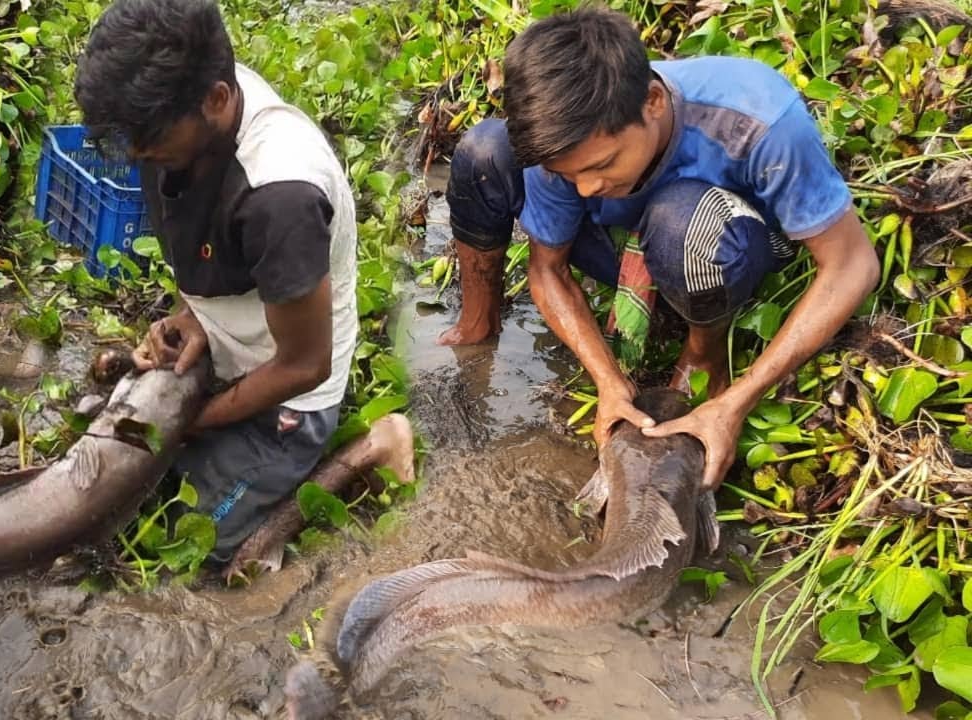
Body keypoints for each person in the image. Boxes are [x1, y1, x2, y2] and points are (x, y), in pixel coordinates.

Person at [441, 7, 879, 490]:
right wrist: (608, 382)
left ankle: (703, 357)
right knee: (485, 150)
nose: (585, 188)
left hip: (724, 241)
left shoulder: (759, 119)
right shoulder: (560, 146)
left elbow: (852, 265)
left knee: (680, 221)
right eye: (570, 176)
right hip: (619, 242)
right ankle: (477, 325)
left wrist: (738, 401)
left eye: (602, 164)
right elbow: (548, 270)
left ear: (652, 101)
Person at [73, 0, 412, 568]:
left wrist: (189, 420)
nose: (136, 155)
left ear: (218, 102)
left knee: (190, 545)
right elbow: (188, 239)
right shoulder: (178, 109)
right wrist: (190, 317)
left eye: (147, 139)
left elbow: (306, 365)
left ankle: (370, 448)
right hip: (226, 343)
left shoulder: (280, 195)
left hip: (290, 389)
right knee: (112, 494)